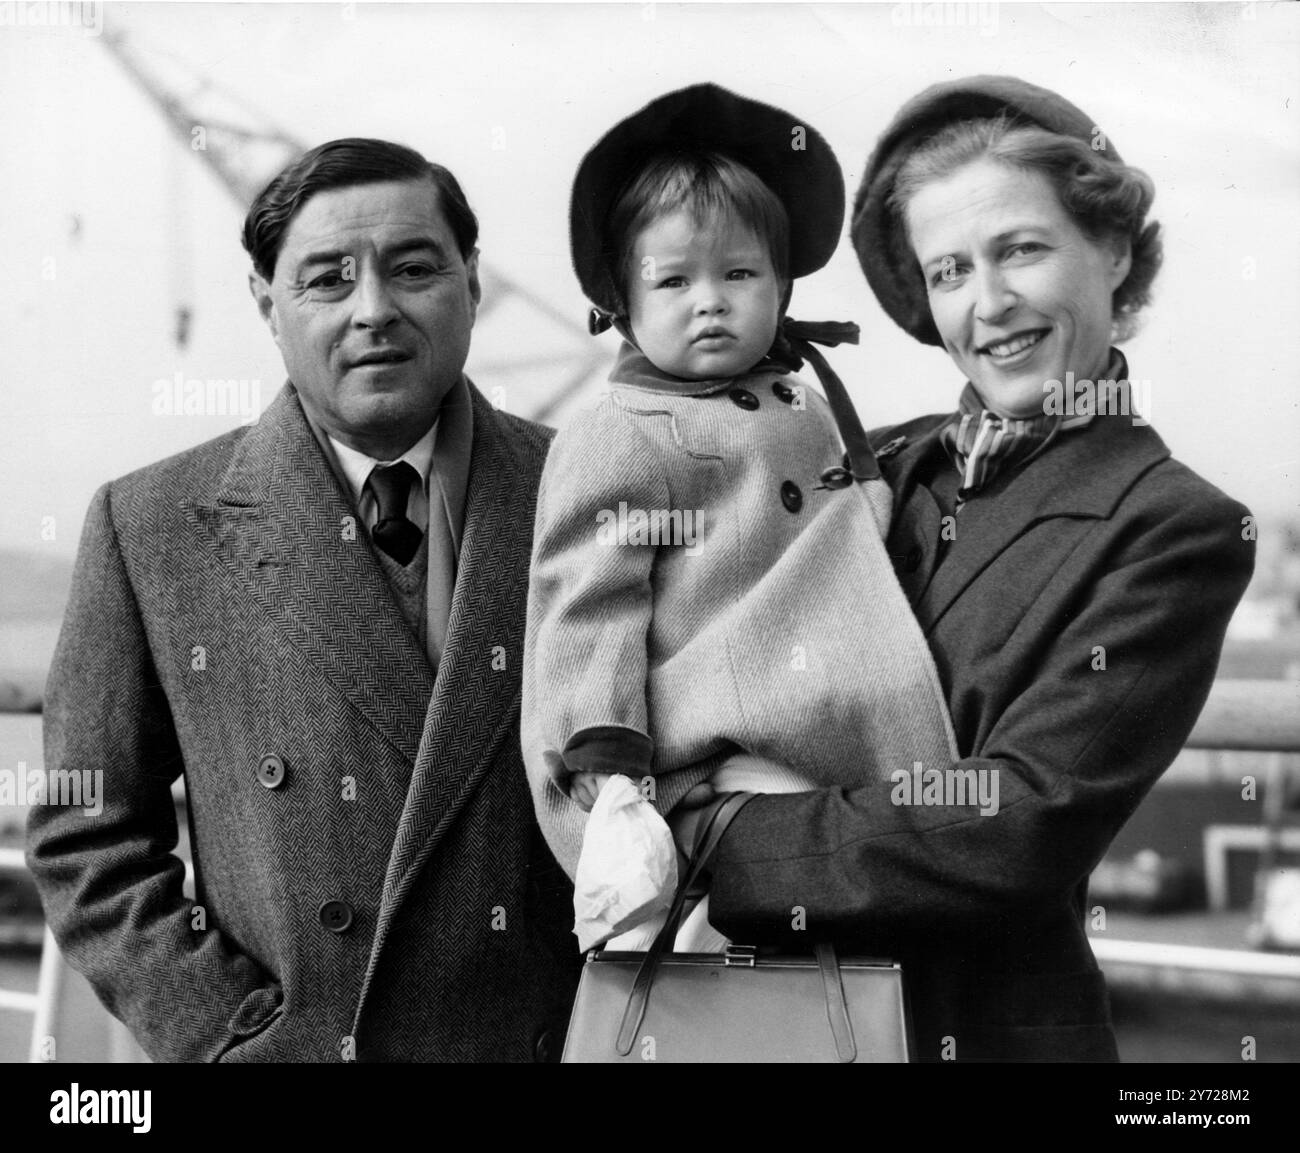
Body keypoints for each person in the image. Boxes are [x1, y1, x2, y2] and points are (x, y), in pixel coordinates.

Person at [689, 76, 1256, 1061]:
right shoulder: (869, 468)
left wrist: (709, 839)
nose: (986, 304)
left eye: (1021, 250)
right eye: (947, 270)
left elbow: (1011, 818)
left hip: (977, 1030)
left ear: (1113, 249)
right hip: (765, 1021)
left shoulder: (1173, 526)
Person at [26, 138, 580, 1062]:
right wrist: (231, 1037)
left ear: (472, 283)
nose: (375, 310)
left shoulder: (585, 487)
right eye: (328, 278)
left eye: (413, 268)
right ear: (265, 303)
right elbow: (89, 836)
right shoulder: (153, 525)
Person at [522, 85, 956, 953]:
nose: (709, 301)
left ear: (783, 284)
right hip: (720, 773)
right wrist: (610, 787)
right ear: (623, 299)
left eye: (739, 274)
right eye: (673, 280)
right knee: (735, 983)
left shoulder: (800, 400)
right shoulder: (622, 432)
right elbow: (587, 612)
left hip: (841, 757)